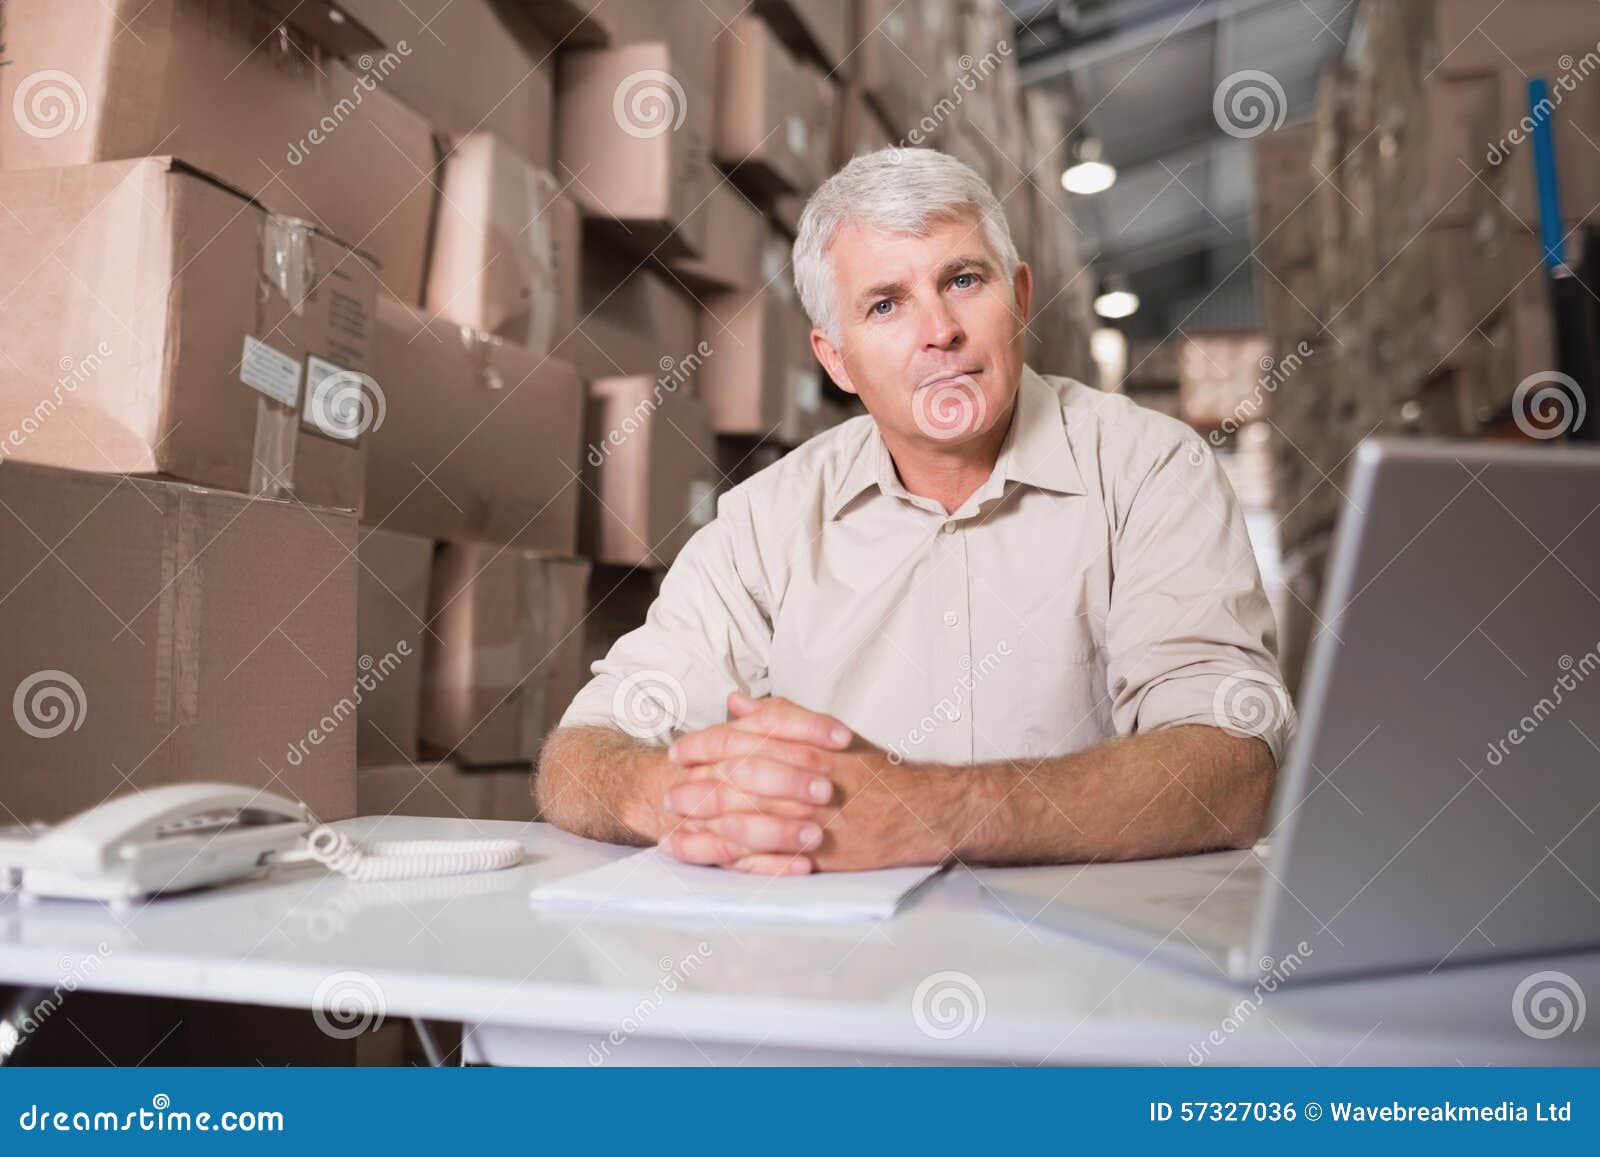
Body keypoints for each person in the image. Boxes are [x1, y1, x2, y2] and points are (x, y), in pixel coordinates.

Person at [537, 148, 1295, 875]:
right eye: (886, 304)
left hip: (1089, 979)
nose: (939, 331)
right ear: (835, 359)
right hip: (842, 977)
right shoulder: (767, 523)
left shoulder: (1151, 470)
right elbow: (581, 755)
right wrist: (689, 800)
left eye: (963, 280)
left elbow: (1230, 767)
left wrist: (932, 812)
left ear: (1020, 296)